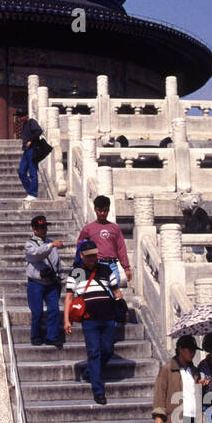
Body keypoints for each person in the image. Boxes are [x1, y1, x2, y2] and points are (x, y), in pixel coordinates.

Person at [64, 240, 126, 405]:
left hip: (108, 317)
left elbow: (116, 291)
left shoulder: (105, 270)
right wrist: (66, 320)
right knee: (94, 352)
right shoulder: (77, 272)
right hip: (89, 319)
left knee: (107, 349)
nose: (92, 259)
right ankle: (98, 391)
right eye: (89, 256)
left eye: (94, 255)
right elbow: (69, 297)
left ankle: (90, 371)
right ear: (82, 256)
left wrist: (121, 304)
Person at [76, 195, 132, 287]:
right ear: (95, 209)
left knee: (115, 294)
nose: (102, 213)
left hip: (112, 265)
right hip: (96, 265)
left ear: (108, 210)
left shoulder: (115, 228)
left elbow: (121, 248)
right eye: (99, 210)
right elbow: (80, 246)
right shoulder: (88, 229)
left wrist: (126, 268)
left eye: (105, 210)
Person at [25, 214, 63, 348]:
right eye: (41, 228)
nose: (44, 230)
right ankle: (35, 336)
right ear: (34, 229)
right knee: (37, 311)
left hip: (51, 282)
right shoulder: (30, 244)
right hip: (36, 283)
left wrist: (59, 275)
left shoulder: (50, 243)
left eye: (45, 227)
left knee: (54, 310)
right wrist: (51, 245)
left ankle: (52, 336)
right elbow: (37, 254)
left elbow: (56, 261)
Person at [17, 109, 43, 201]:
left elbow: (39, 131)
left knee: (32, 172)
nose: (20, 119)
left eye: (21, 117)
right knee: (21, 171)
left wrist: (30, 141)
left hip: (33, 150)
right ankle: (30, 191)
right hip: (26, 151)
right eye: (19, 117)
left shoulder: (32, 122)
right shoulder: (24, 124)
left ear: (26, 116)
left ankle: (33, 193)